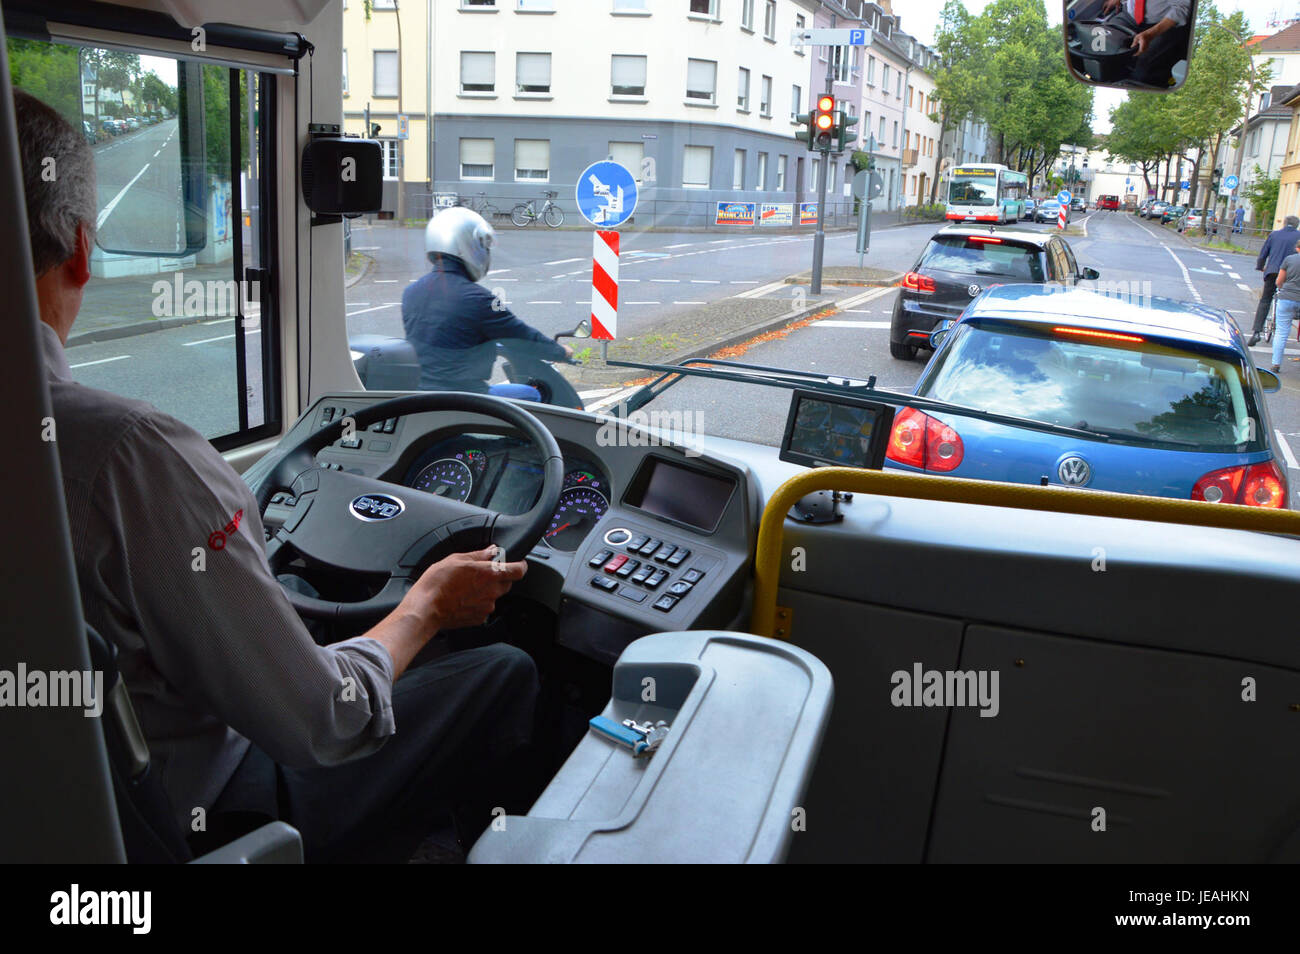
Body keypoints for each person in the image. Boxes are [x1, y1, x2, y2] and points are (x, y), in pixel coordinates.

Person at [18, 89, 539, 862]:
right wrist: (426, 605)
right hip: (208, 817)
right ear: (82, 250)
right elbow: (323, 721)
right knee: (503, 669)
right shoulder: (129, 456)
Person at [402, 206, 572, 398]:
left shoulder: (411, 293)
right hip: (469, 397)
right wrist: (561, 352)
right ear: (466, 246)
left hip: (422, 396)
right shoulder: (479, 299)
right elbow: (523, 336)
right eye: (482, 247)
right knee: (532, 395)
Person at [1101, 0, 1193, 88]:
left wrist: (1150, 34)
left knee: (1142, 67)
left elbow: (1182, 8)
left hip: (1163, 23)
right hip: (1129, 16)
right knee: (1100, 44)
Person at [1250, 214, 1300, 346]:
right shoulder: (1298, 236)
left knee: (1265, 299)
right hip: (1291, 273)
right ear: (1297, 225)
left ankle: (1256, 332)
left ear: (1284, 223)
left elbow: (1263, 254)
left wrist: (1260, 267)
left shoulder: (1274, 235)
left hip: (1272, 271)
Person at [1270, 238, 1300, 373]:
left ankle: (1276, 363)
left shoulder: (1289, 259)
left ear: (1297, 248)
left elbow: (1279, 281)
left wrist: (1281, 288)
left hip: (1287, 297)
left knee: (1282, 332)